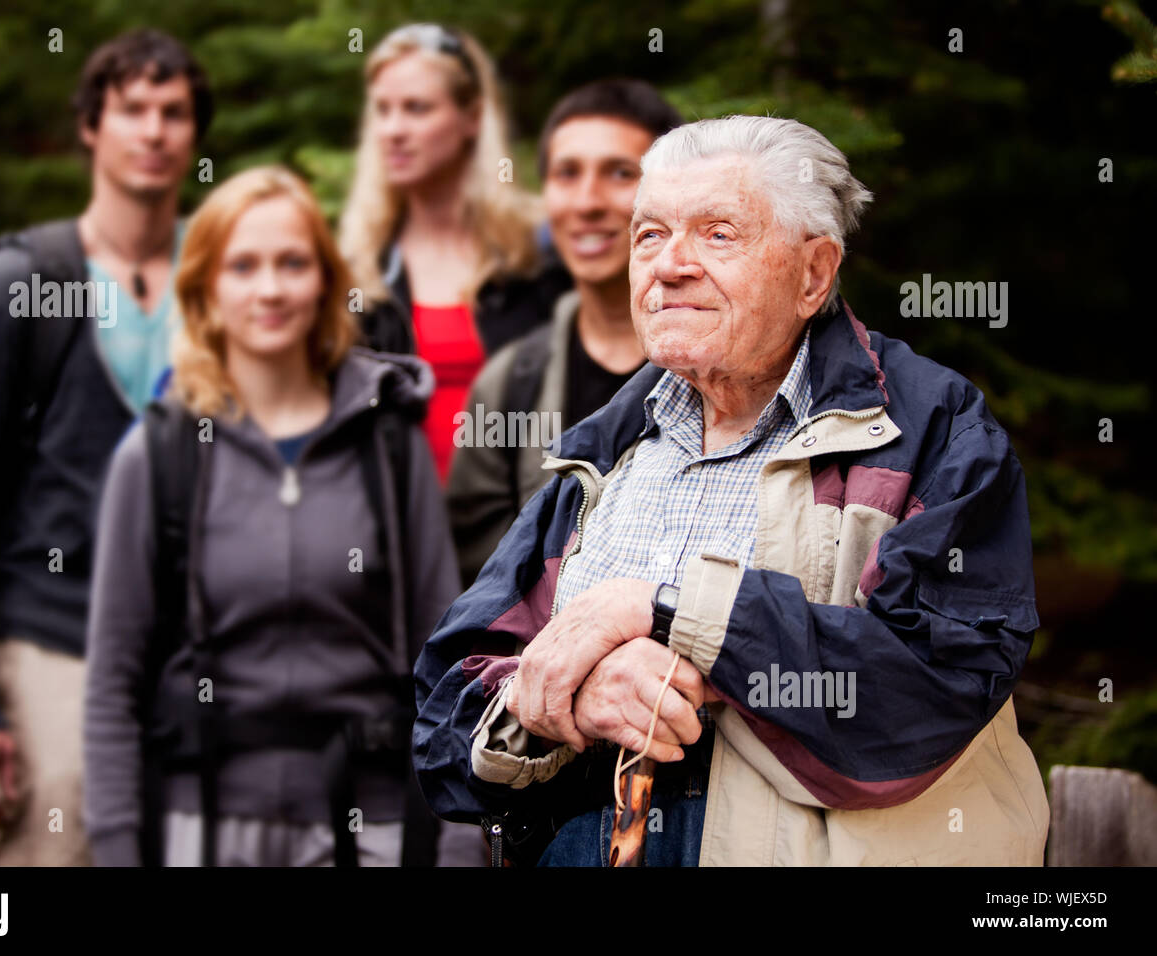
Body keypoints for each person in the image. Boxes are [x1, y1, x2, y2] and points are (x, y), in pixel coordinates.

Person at [413, 115, 1050, 866]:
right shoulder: (605, 451)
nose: (669, 265)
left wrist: (668, 608)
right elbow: (444, 718)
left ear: (813, 274)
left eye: (718, 234)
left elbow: (936, 686)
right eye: (649, 235)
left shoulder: (930, 428)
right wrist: (563, 704)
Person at [83, 165, 461, 867]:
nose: (270, 289)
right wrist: (114, 846)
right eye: (243, 266)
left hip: (370, 824)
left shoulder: (387, 444)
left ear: (323, 282)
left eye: (293, 263)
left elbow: (446, 656)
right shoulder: (161, 454)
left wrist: (459, 841)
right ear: (204, 289)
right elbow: (113, 681)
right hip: (202, 821)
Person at [0, 29, 210, 866]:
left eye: (174, 113)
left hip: (192, 661)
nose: (153, 131)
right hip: (49, 648)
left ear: (194, 135)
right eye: (132, 110)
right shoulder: (13, 286)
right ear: (91, 126)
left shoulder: (221, 277)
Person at [447, 79, 681, 585]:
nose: (587, 202)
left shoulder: (732, 367)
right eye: (566, 174)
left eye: (621, 173)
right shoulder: (510, 382)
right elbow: (483, 582)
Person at [339, 22, 571, 482]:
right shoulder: (357, 266)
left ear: (472, 117)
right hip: (400, 534)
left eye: (416, 108)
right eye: (382, 111)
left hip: (521, 528)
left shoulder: (539, 251)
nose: (393, 130)